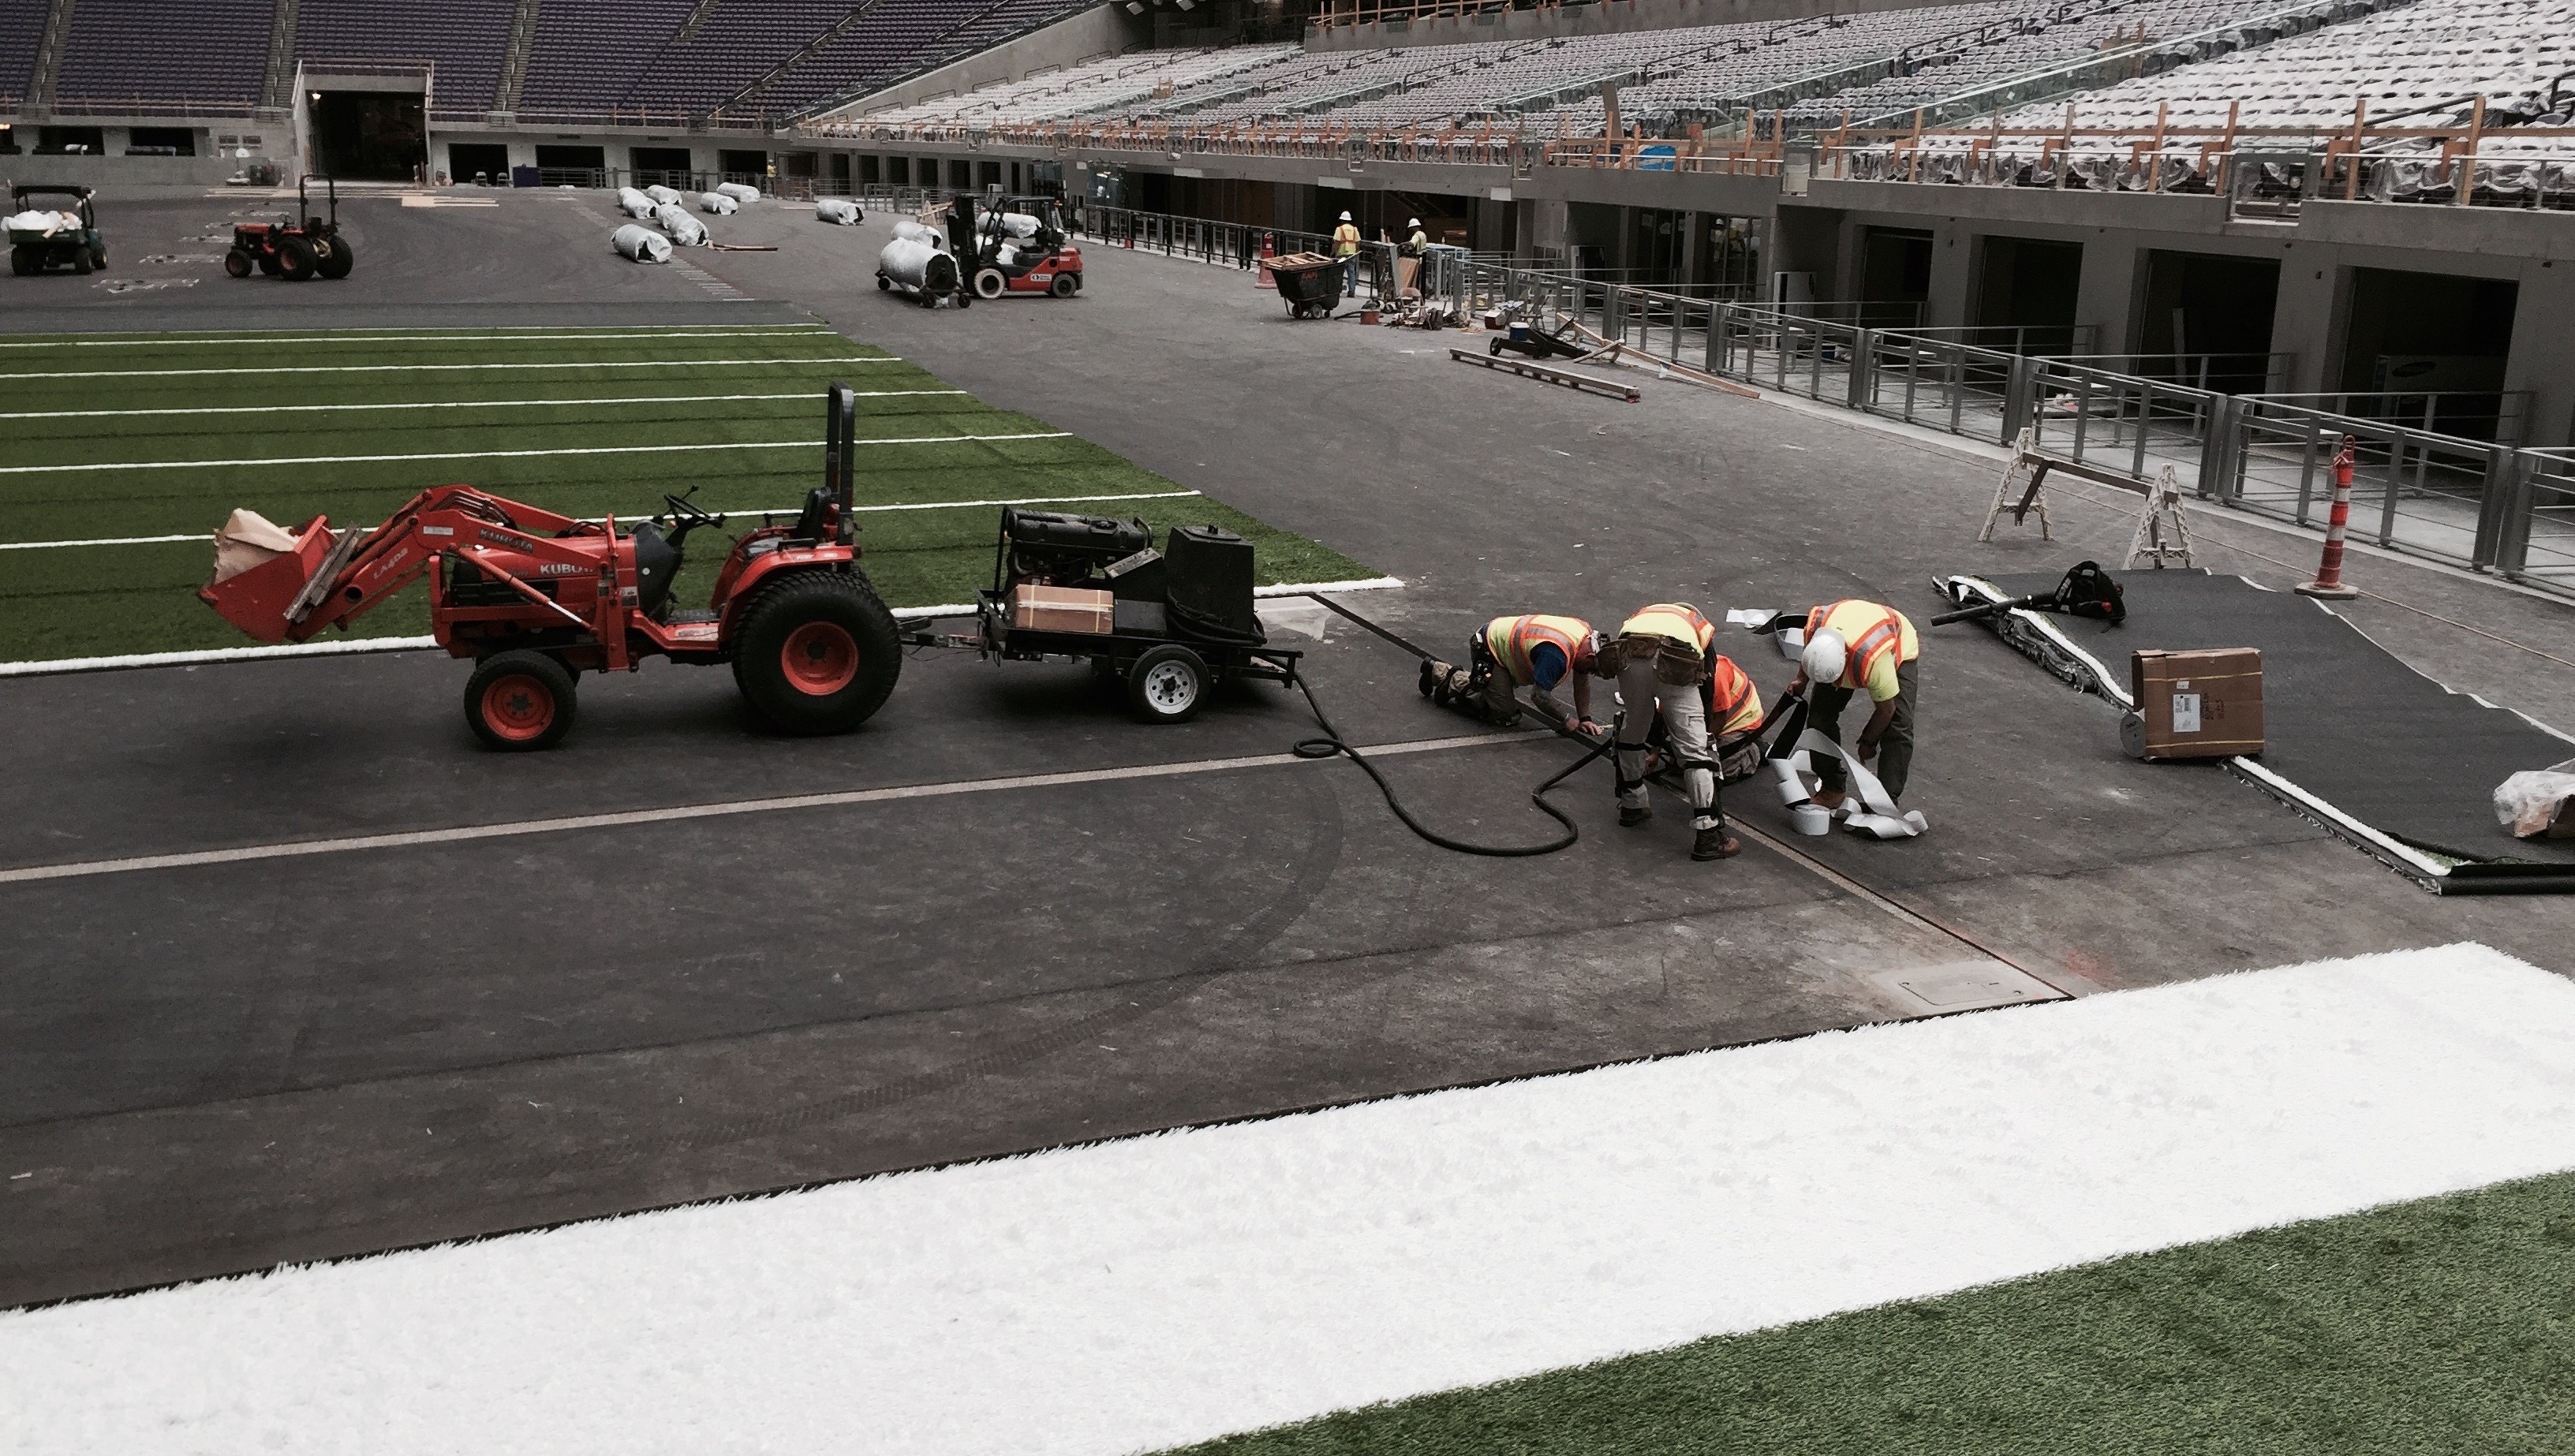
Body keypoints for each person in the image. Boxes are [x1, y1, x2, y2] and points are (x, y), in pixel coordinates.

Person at [1598, 602, 1763, 861]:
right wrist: (1702, 736)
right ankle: (1708, 835)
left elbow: (1652, 708)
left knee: (1632, 729)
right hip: (1675, 658)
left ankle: (1632, 805)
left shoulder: (1641, 614)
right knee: (1696, 752)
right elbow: (1706, 687)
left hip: (1630, 653)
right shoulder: (1700, 626)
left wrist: (1655, 745)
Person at [1785, 598, 1920, 806]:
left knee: (1899, 726)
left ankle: (1885, 801)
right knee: (1819, 719)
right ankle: (1832, 788)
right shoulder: (1816, 631)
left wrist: (1868, 741)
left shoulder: (1873, 661)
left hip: (1896, 638)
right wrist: (1802, 679)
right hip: (1848, 629)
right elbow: (1809, 656)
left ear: (1844, 660)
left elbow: (1886, 711)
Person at [1466, 614, 1601, 731]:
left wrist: (1585, 718)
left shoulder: (1585, 635)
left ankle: (1490, 685)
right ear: (1590, 656)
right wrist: (1566, 719)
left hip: (1504, 641)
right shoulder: (1556, 655)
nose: (1588, 672)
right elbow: (1540, 695)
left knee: (1499, 693)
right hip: (1489, 646)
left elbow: (1582, 681)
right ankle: (1450, 678)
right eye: (1591, 669)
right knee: (1504, 713)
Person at [1332, 211, 1362, 294]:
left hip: (1342, 253)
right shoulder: (1355, 229)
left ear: (1342, 220)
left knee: (1339, 272)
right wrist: (1356, 250)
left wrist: (1333, 253)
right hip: (1352, 253)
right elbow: (1358, 242)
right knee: (1351, 272)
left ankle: (1338, 289)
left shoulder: (1339, 229)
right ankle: (1352, 291)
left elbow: (1336, 243)